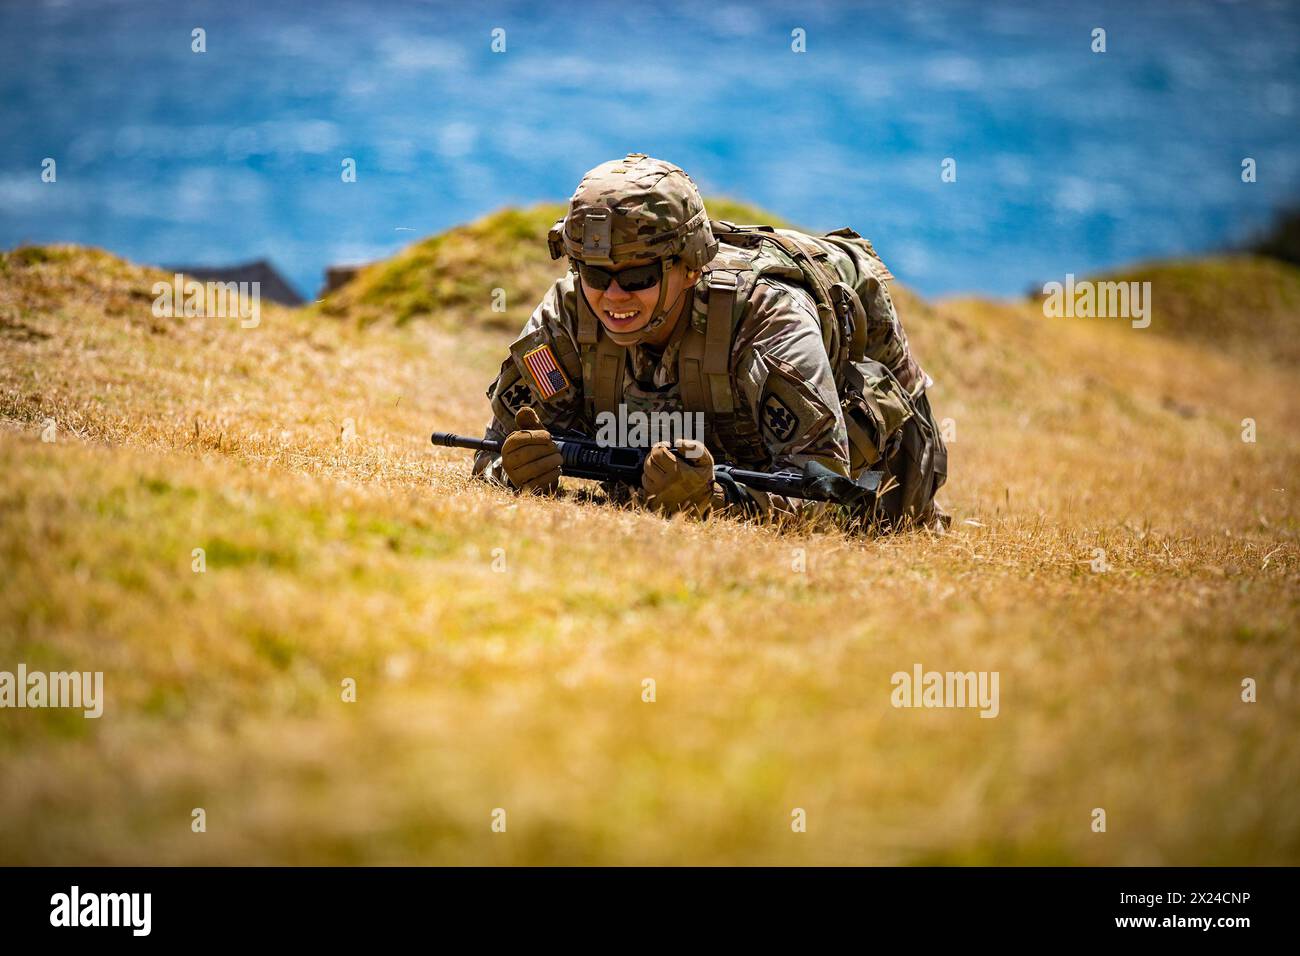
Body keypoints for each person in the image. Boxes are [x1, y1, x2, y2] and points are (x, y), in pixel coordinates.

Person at [473, 153, 947, 529]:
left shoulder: (767, 318)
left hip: (883, 455)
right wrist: (517, 468)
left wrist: (715, 500)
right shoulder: (567, 315)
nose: (613, 295)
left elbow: (826, 496)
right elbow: (491, 452)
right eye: (595, 273)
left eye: (637, 275)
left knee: (884, 516)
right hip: (727, 451)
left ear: (691, 266)